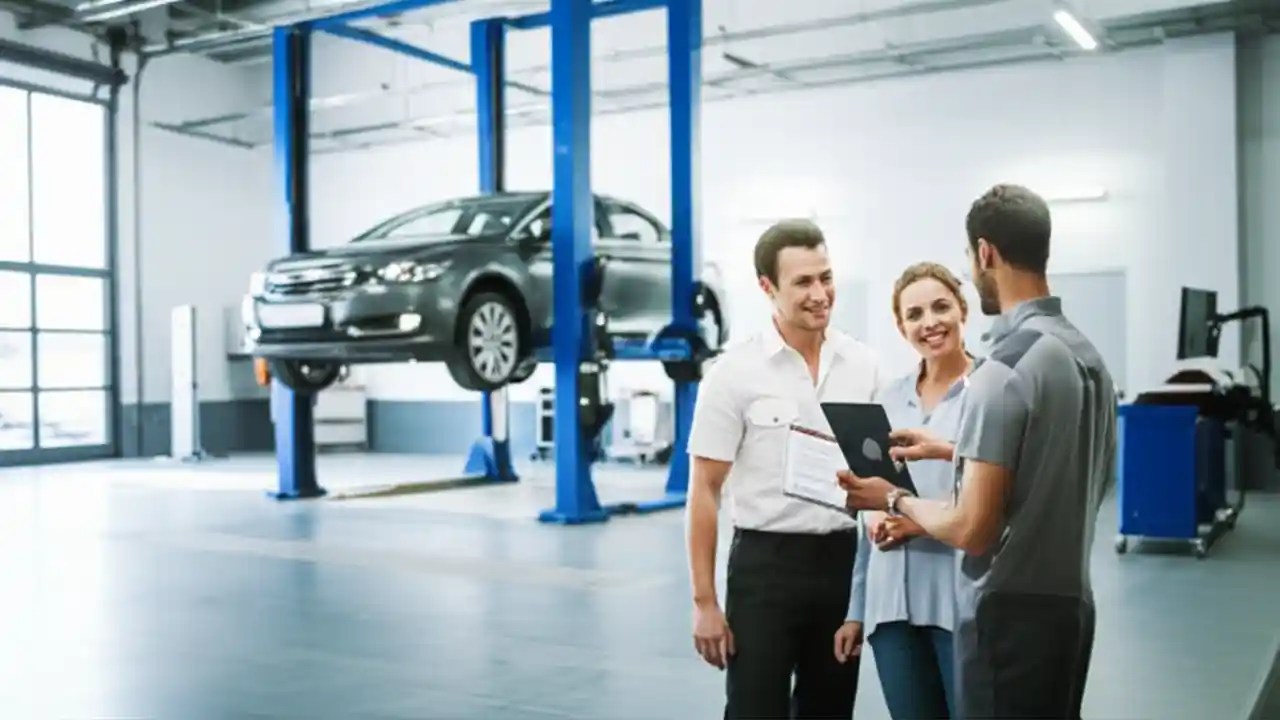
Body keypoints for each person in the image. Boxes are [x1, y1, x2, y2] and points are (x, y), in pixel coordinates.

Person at [840, 183, 1117, 719]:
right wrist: (952, 451)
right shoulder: (1084, 357)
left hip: (1006, 615)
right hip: (1069, 607)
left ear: (985, 253)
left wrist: (894, 499)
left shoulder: (1003, 369)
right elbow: (1075, 471)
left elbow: (974, 530)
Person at [686, 218, 885, 719]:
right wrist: (705, 602)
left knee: (830, 710)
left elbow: (880, 480)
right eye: (803, 282)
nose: (820, 293)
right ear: (766, 287)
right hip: (764, 568)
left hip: (841, 564)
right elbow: (704, 490)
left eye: (826, 277)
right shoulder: (733, 374)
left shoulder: (863, 365)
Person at [840, 262, 973, 719]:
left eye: (941, 307)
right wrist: (856, 608)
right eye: (914, 314)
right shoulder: (888, 400)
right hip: (890, 605)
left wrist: (916, 524)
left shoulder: (991, 394)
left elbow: (1003, 503)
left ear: (964, 311)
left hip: (962, 600)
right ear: (901, 327)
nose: (929, 323)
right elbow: (870, 510)